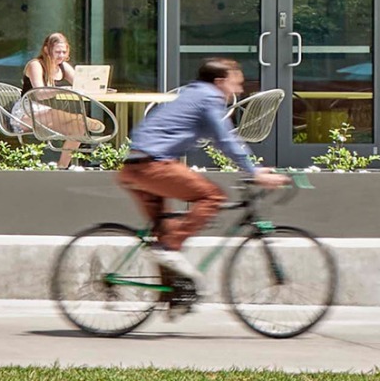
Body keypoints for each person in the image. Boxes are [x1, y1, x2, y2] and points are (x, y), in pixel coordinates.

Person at [117, 58, 289, 292]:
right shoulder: (209, 97)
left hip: (134, 167)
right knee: (212, 197)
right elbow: (226, 139)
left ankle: (173, 296)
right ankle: (168, 250)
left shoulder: (191, 94)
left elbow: (219, 139)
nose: (238, 90)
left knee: (164, 231)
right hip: (153, 165)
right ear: (219, 82)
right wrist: (254, 171)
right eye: (235, 84)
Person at [22, 32, 93, 169]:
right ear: (46, 50)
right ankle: (83, 119)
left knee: (79, 127)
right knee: (56, 114)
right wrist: (64, 89)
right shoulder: (35, 65)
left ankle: (62, 167)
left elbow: (80, 84)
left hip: (49, 114)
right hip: (26, 113)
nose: (61, 56)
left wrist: (96, 86)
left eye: (64, 52)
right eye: (57, 52)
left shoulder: (63, 66)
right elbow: (40, 93)